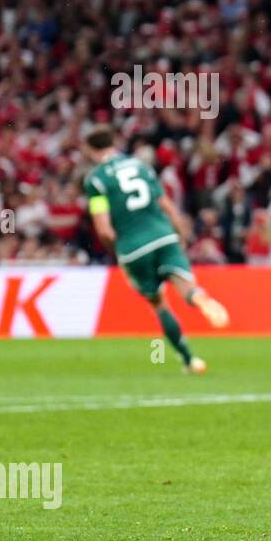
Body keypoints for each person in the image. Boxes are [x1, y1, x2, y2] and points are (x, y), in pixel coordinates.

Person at [82, 125, 229, 372]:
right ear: (113, 142)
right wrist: (181, 233)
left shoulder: (95, 180)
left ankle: (189, 360)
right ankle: (199, 298)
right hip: (163, 235)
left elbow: (104, 230)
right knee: (185, 286)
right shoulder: (141, 166)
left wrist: (118, 251)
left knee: (159, 304)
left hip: (133, 247)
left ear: (90, 150)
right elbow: (167, 204)